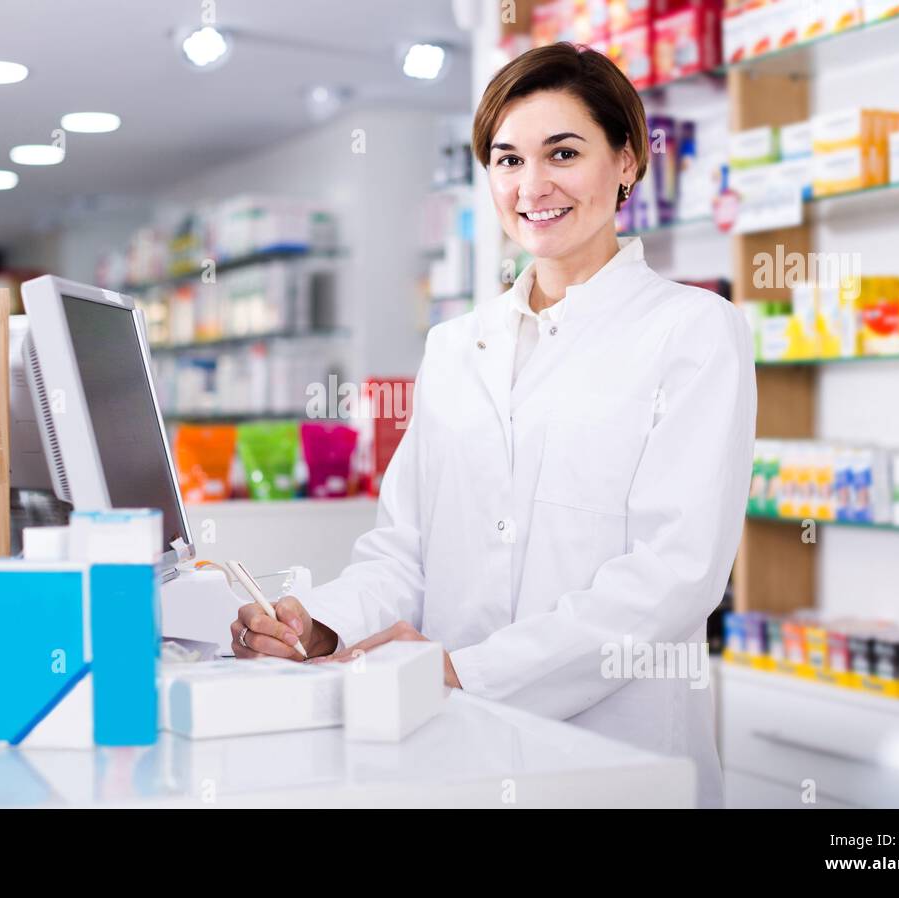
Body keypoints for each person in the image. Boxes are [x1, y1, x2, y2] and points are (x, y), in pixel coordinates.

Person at [229, 43, 756, 808]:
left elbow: (672, 577)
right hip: (452, 754)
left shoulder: (694, 330)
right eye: (507, 160)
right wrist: (319, 626)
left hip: (618, 761)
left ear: (628, 162)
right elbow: (404, 551)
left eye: (563, 153)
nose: (532, 185)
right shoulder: (454, 346)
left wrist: (463, 671)